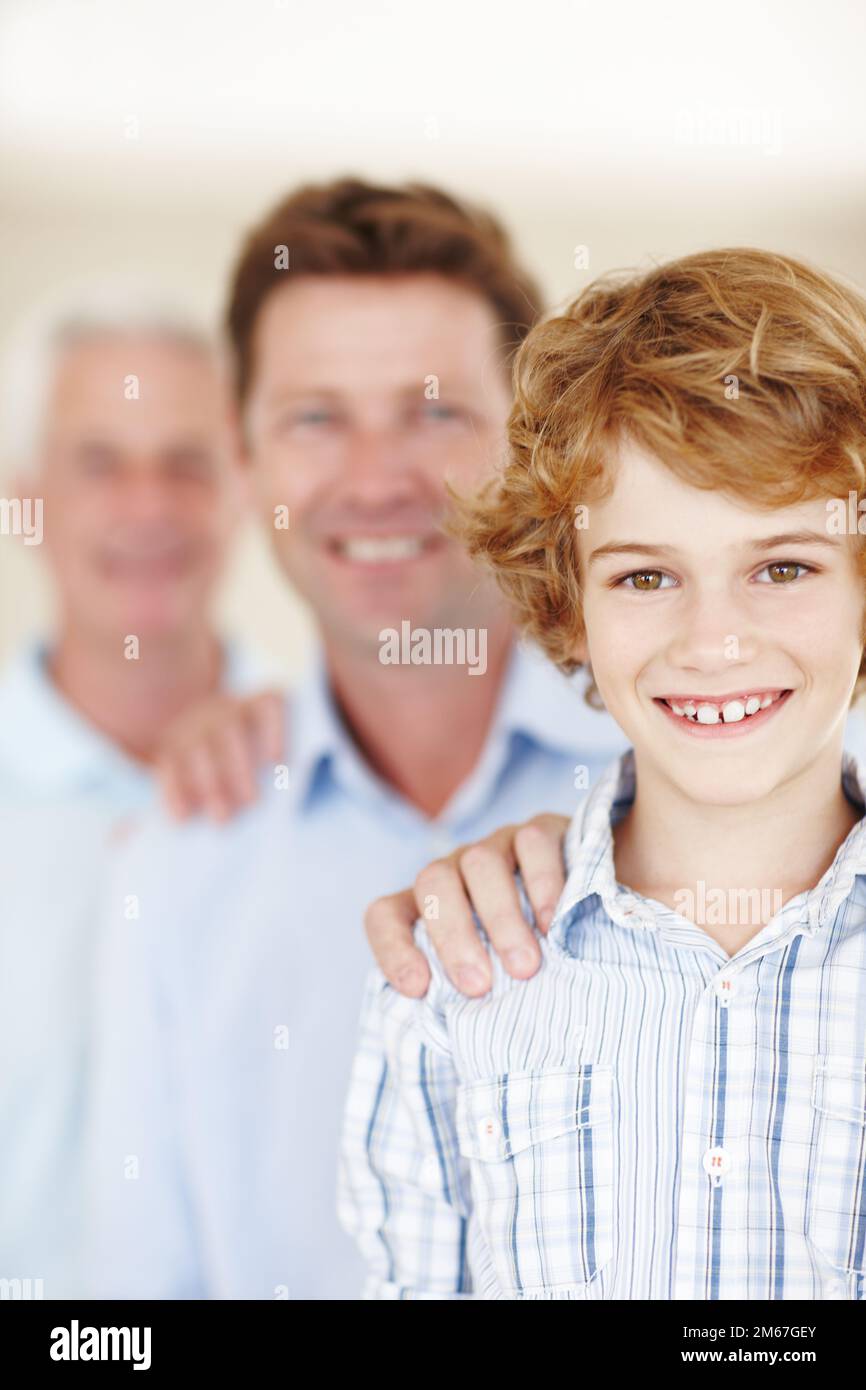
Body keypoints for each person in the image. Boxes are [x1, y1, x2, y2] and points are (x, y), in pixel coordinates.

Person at [82, 179, 628, 1300]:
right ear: (244, 465)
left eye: (432, 412)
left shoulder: (709, 775)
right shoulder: (179, 862)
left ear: (531, 453)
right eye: (315, 418)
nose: (378, 480)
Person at [339, 247, 866, 1300]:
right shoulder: (453, 978)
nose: (711, 640)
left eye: (781, 567)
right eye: (644, 575)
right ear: (568, 600)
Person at [0, 285, 271, 1297]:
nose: (147, 506)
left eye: (187, 463)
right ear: (25, 499)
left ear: (244, 486)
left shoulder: (337, 784)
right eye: (99, 463)